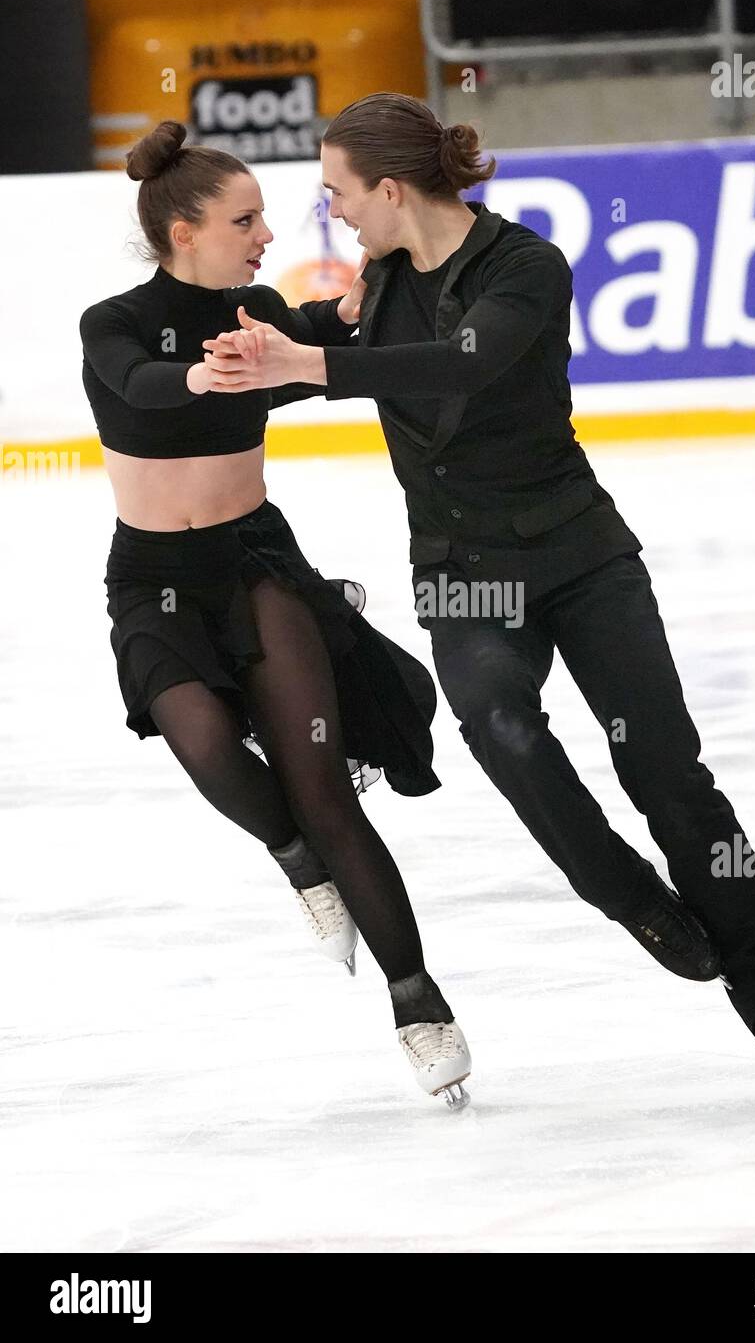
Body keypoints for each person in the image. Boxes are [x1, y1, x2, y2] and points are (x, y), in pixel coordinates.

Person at [201, 92, 755, 1100]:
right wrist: (235, 345)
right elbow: (312, 341)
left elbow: (464, 361)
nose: (332, 215)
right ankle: (625, 891)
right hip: (465, 574)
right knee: (502, 730)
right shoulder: (377, 287)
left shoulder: (525, 267)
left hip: (581, 557)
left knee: (669, 776)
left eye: (337, 194)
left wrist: (314, 361)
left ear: (389, 187)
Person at [78, 119, 471, 1108]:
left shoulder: (256, 308)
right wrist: (201, 376)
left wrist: (348, 310)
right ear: (184, 232)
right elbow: (136, 383)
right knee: (207, 744)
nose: (265, 234)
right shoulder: (113, 323)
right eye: (245, 219)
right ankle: (295, 858)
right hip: (154, 579)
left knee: (322, 781)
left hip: (256, 562)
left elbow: (327, 335)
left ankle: (419, 1004)